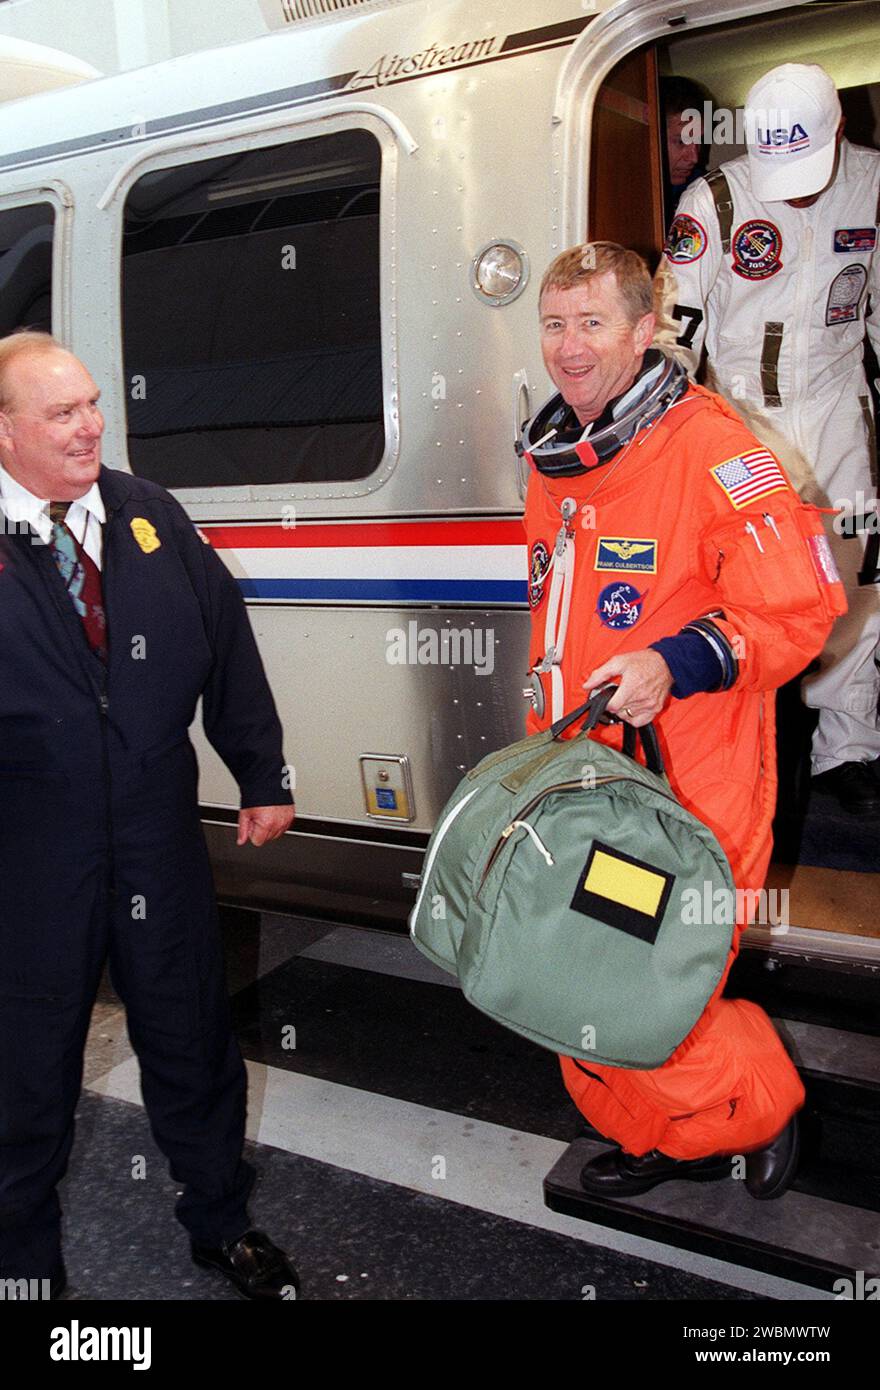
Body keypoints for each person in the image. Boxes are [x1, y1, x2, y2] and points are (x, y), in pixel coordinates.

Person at [519, 242, 845, 1198]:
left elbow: (800, 609)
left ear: (642, 328)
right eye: (553, 323)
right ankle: (658, 1129)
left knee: (647, 978)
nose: (569, 348)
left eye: (591, 323)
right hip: (578, 770)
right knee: (571, 971)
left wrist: (674, 662)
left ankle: (756, 1107)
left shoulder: (712, 447)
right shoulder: (554, 460)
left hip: (680, 782)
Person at [0, 331, 298, 1299]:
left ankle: (221, 1221)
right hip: (29, 857)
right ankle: (22, 1271)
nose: (90, 425)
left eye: (90, 403)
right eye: (61, 413)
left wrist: (260, 772)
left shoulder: (148, 515)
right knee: (25, 1071)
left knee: (190, 1037)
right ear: (3, 432)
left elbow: (225, 642)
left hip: (155, 835)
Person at [655, 62, 880, 814]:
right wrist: (665, 428)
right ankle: (754, 753)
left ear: (837, 129)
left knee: (858, 576)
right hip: (743, 418)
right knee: (755, 586)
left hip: (837, 404)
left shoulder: (874, 183)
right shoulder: (715, 198)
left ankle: (847, 749)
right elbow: (671, 325)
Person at [659, 75, 709, 223]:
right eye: (681, 141)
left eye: (699, 141)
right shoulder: (623, 195)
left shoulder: (704, 191)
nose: (694, 158)